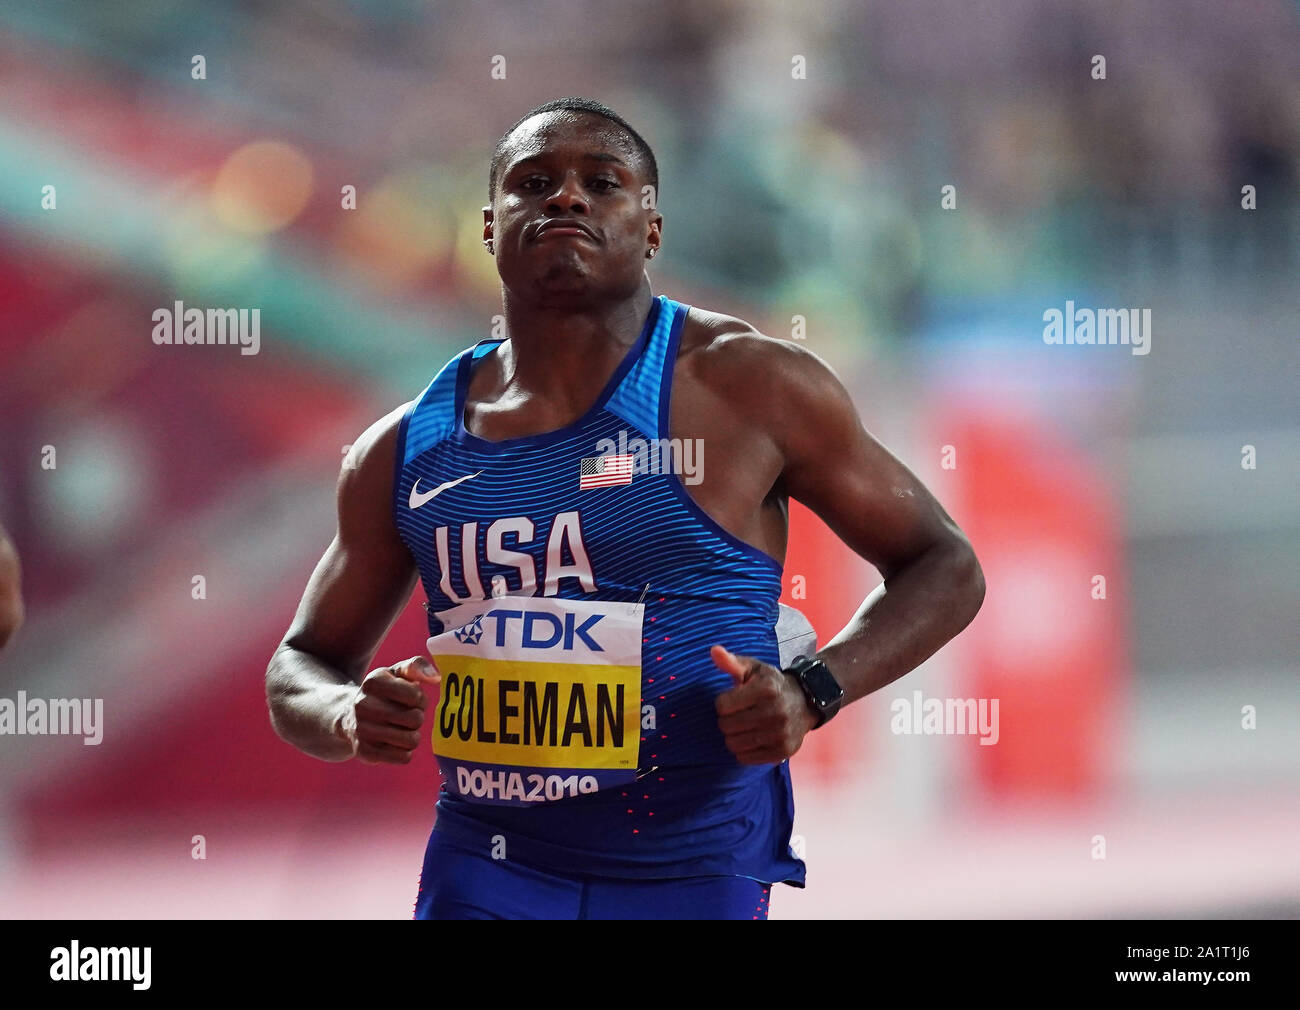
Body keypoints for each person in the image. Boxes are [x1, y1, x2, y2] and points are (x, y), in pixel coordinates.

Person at [265, 97, 985, 920]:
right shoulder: (403, 450)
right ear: (491, 230)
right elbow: (302, 665)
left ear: (652, 230)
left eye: (601, 182)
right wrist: (345, 712)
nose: (565, 198)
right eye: (534, 183)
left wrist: (815, 689)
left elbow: (945, 563)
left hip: (691, 868)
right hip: (488, 866)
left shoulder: (751, 387)